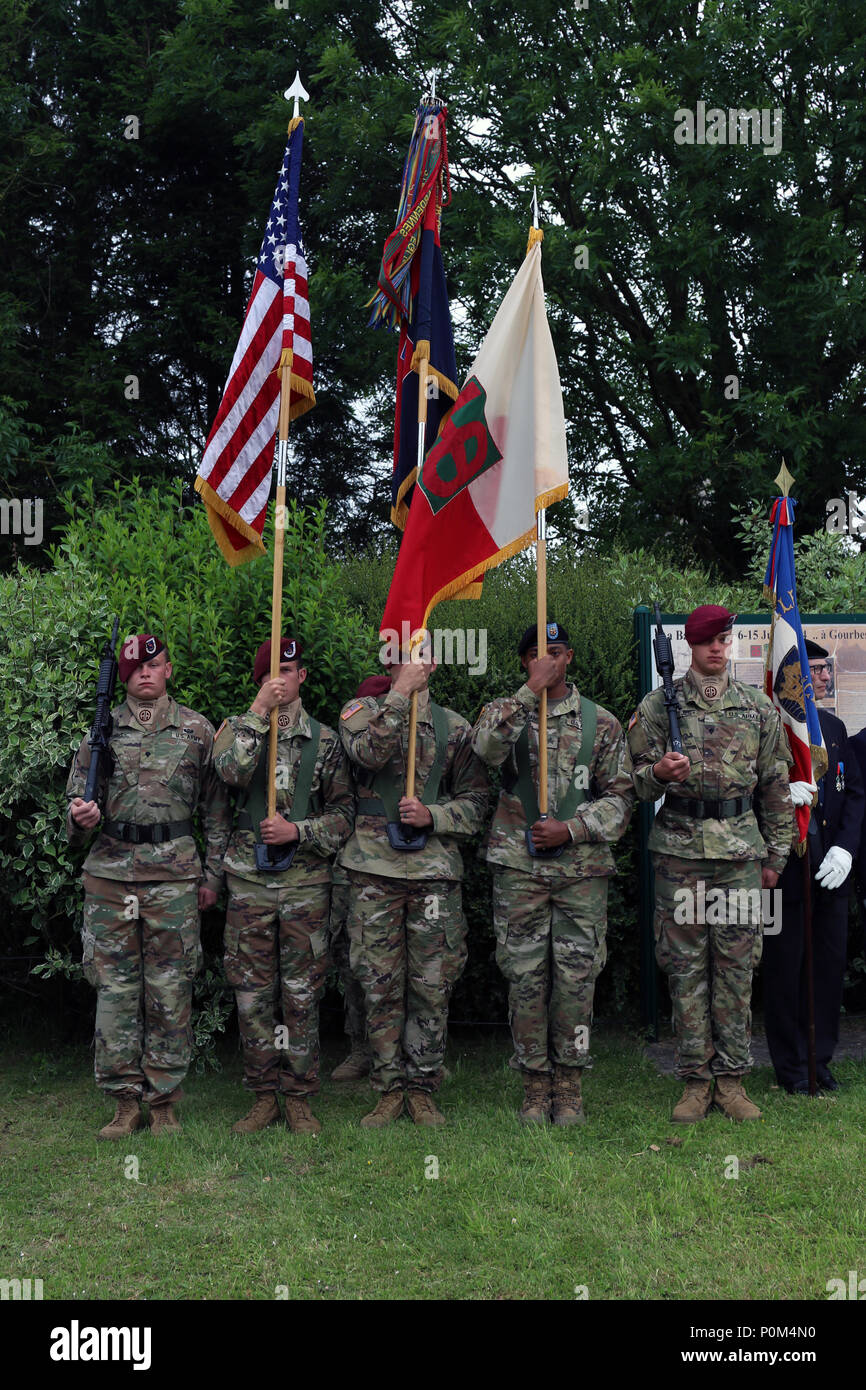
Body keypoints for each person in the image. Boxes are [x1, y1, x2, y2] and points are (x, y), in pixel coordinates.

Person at [627, 605, 793, 1123]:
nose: (718, 650)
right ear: (690, 648)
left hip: (740, 853)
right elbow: (628, 782)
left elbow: (776, 787)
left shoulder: (757, 708)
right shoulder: (659, 706)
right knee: (684, 968)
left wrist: (778, 854)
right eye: (707, 642)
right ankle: (695, 1082)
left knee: (738, 967)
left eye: (725, 640)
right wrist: (658, 771)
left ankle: (733, 1082)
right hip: (679, 851)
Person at [67, 633, 230, 1139]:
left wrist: (214, 876)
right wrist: (81, 817)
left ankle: (162, 1104)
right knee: (114, 991)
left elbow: (217, 812)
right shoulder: (99, 735)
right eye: (135, 666)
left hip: (175, 878)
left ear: (168, 670)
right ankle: (123, 1101)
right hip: (111, 877)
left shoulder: (197, 732)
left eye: (153, 665)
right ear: (124, 674)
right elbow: (71, 813)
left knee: (170, 991)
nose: (144, 673)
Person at [471, 621, 634, 1125]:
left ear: (570, 659)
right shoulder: (504, 714)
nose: (551, 661)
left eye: (558, 653)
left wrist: (574, 829)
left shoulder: (600, 723)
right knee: (524, 978)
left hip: (580, 872)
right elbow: (483, 751)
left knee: (577, 979)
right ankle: (535, 1086)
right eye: (540, 654)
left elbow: (622, 798)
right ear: (525, 661)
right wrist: (528, 693)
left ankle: (569, 1085)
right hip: (519, 869)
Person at [338, 644, 489, 1127]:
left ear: (436, 663)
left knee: (431, 983)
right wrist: (400, 694)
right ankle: (387, 1087)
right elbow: (367, 753)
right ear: (387, 662)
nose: (413, 663)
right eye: (402, 656)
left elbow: (478, 802)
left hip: (433, 875)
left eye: (421, 655)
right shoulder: (359, 714)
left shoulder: (455, 727)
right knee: (379, 984)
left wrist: (435, 815)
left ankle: (422, 1086)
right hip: (373, 872)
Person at [213, 637, 354, 1134]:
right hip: (249, 885)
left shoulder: (327, 741)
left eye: (290, 669)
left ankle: (297, 1095)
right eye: (272, 671)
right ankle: (262, 1094)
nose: (282, 678)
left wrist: (300, 831)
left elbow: (343, 818)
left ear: (303, 677)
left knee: (301, 994)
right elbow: (229, 773)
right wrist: (257, 711)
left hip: (305, 885)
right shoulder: (235, 731)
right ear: (259, 680)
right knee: (252, 995)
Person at [763, 641, 864, 1093]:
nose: (825, 677)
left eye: (826, 670)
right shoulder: (769, 728)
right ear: (794, 676)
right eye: (818, 670)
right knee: (786, 970)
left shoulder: (835, 728)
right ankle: (790, 1066)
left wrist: (846, 849)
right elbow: (749, 790)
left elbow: (855, 795)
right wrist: (785, 797)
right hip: (785, 870)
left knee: (826, 968)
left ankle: (820, 1061)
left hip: (831, 872)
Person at [328, 676, 390, 1084]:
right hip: (351, 858)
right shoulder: (356, 721)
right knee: (352, 959)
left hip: (399, 859)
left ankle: (400, 1050)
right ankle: (360, 1047)